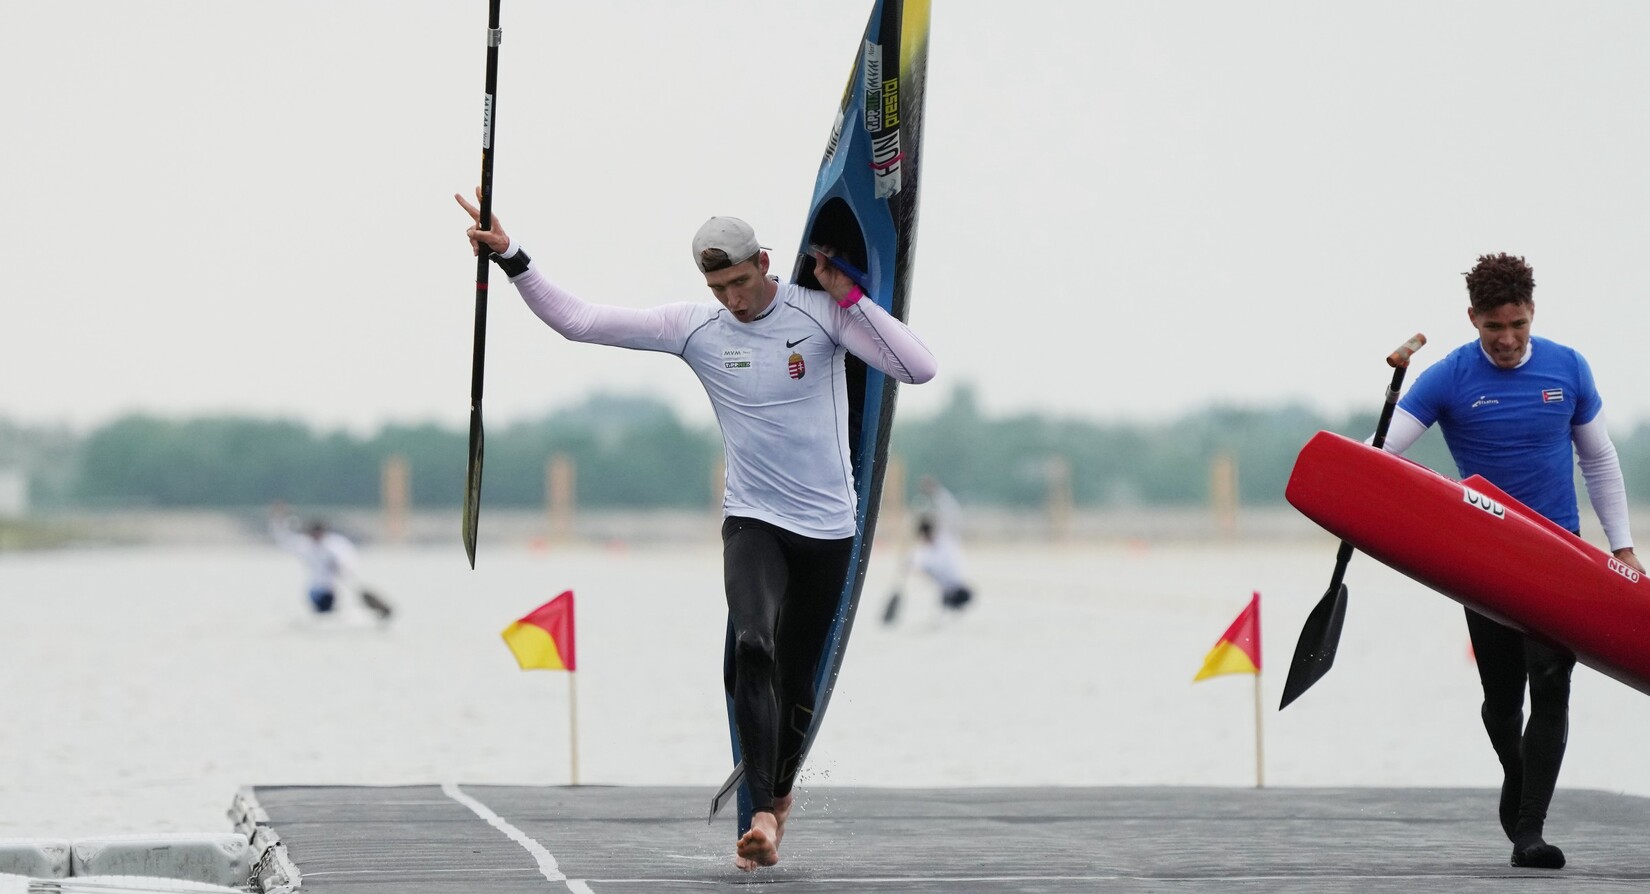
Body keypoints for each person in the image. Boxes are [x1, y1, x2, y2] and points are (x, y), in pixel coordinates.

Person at [456, 192, 937, 871]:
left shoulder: (821, 316)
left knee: (797, 680)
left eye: (740, 282)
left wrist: (851, 297)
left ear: (765, 263)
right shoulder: (697, 329)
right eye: (719, 288)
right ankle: (764, 816)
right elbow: (579, 321)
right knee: (751, 643)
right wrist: (510, 256)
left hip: (828, 529)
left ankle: (779, 794)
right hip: (753, 522)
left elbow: (917, 368)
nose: (733, 299)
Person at [1379, 252, 1642, 870]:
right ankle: (1518, 772)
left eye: (1518, 324)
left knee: (1552, 685)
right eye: (1494, 327)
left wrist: (1622, 546)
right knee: (1503, 697)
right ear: (1473, 318)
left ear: (1532, 314)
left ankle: (1530, 831)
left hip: (1560, 556)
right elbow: (1384, 454)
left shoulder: (1568, 367)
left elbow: (1599, 461)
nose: (1506, 339)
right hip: (1485, 560)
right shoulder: (1447, 377)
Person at [269, 503, 393, 622]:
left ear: (323, 532)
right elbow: (284, 541)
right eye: (312, 534)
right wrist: (278, 520)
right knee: (320, 610)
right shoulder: (305, 545)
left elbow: (348, 558)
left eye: (318, 533)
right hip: (313, 588)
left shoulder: (334, 544)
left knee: (326, 608)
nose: (315, 537)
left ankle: (332, 617)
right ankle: (324, 618)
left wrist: (341, 566)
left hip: (330, 588)